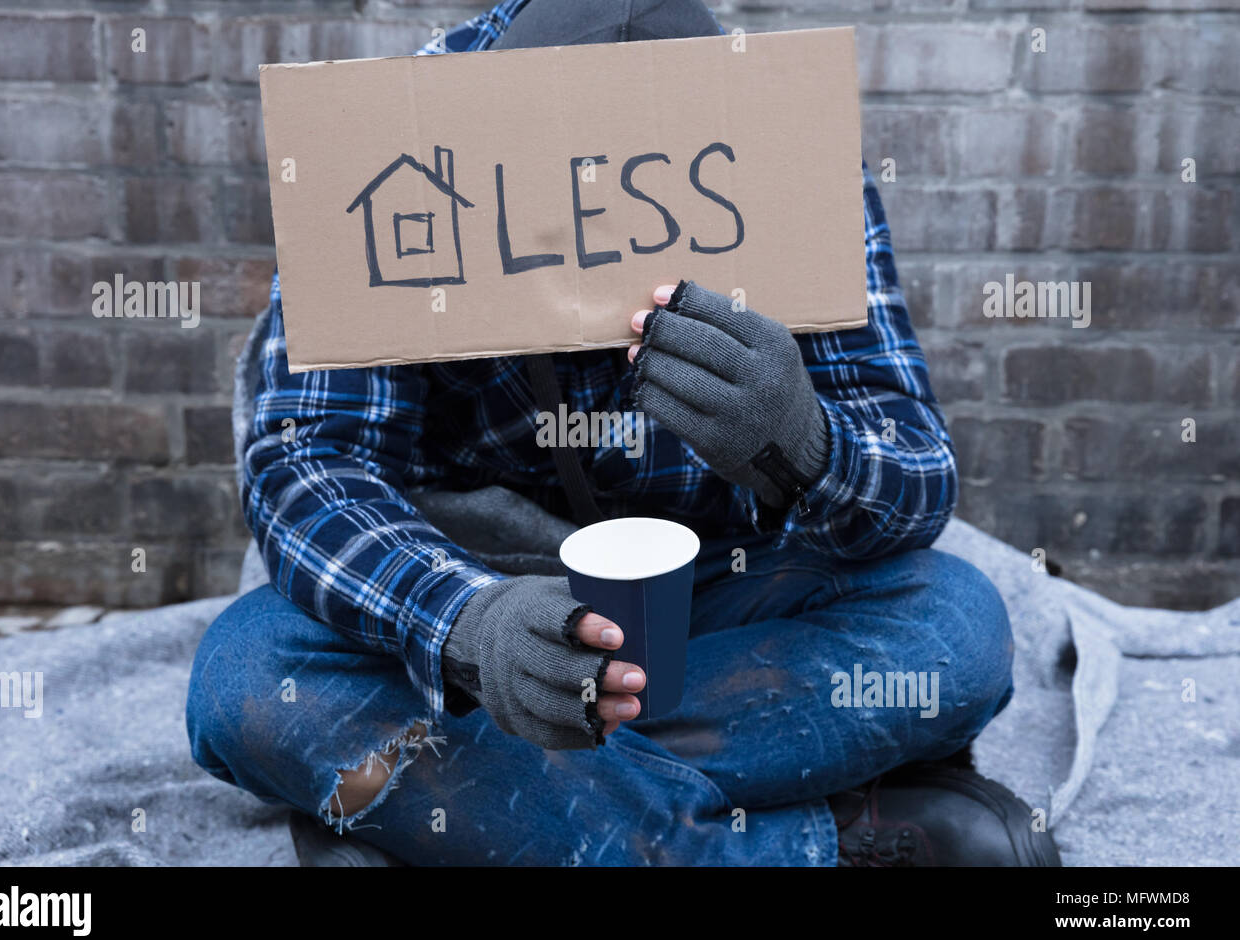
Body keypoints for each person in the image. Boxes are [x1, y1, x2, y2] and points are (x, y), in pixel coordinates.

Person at [186, 0, 1060, 867]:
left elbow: (917, 466)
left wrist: (806, 442)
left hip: (719, 592)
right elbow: (308, 457)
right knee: (249, 678)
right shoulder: (400, 135)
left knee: (957, 629)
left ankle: (448, 806)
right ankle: (801, 846)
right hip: (481, 598)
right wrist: (466, 623)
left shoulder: (780, 130)